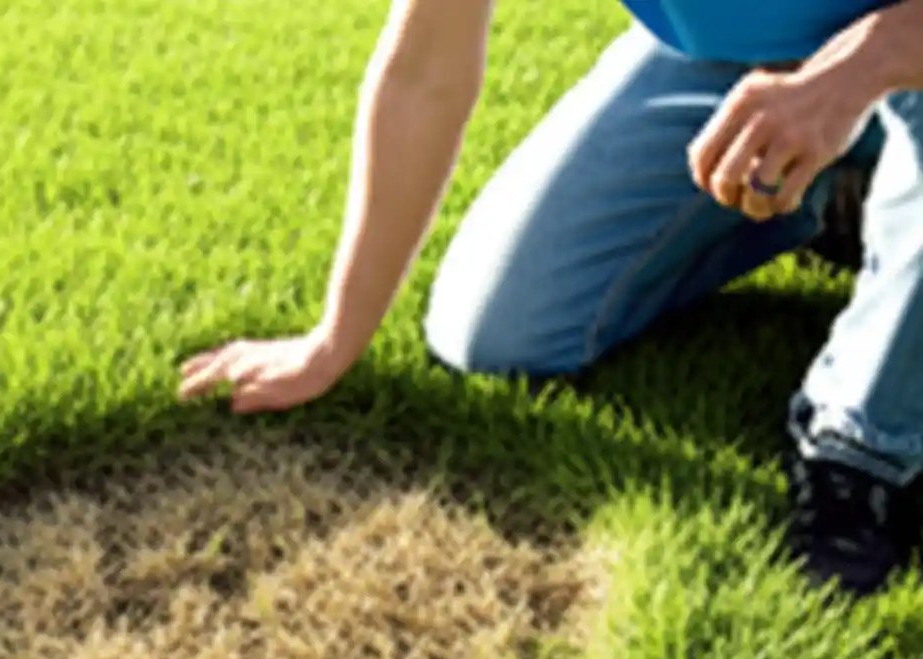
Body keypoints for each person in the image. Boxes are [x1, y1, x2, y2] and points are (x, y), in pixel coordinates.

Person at [177, 0, 923, 598]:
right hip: (727, 56)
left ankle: (865, 449)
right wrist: (336, 334)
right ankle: (844, 192)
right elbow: (422, 74)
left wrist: (852, 74)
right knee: (501, 331)